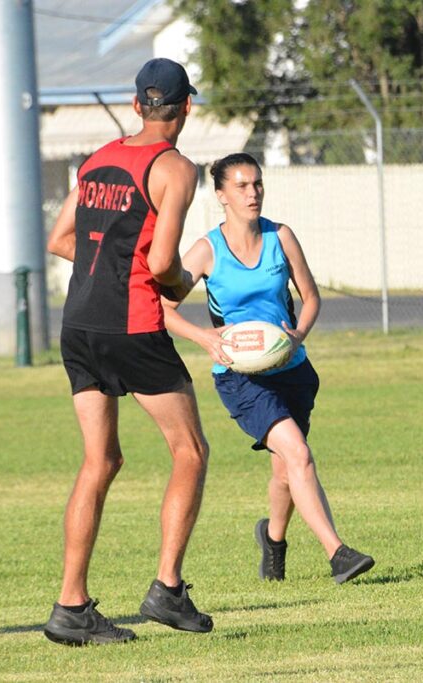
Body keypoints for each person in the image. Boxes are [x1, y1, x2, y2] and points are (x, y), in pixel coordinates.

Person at [42, 58, 213, 646]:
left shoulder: (98, 160)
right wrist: (181, 283)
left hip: (79, 324)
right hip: (132, 325)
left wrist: (110, 270)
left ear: (137, 105)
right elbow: (163, 263)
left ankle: (71, 605)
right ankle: (167, 589)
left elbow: (60, 239)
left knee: (101, 461)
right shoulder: (176, 168)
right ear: (186, 107)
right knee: (190, 450)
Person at [161, 152, 375, 585]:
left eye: (257, 183)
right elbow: (164, 310)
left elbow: (311, 297)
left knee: (285, 469)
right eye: (241, 186)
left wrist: (297, 335)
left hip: (293, 371)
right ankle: (338, 553)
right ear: (221, 195)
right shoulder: (206, 251)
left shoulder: (281, 236)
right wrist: (205, 338)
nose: (252, 193)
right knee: (298, 454)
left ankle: (273, 539)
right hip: (241, 379)